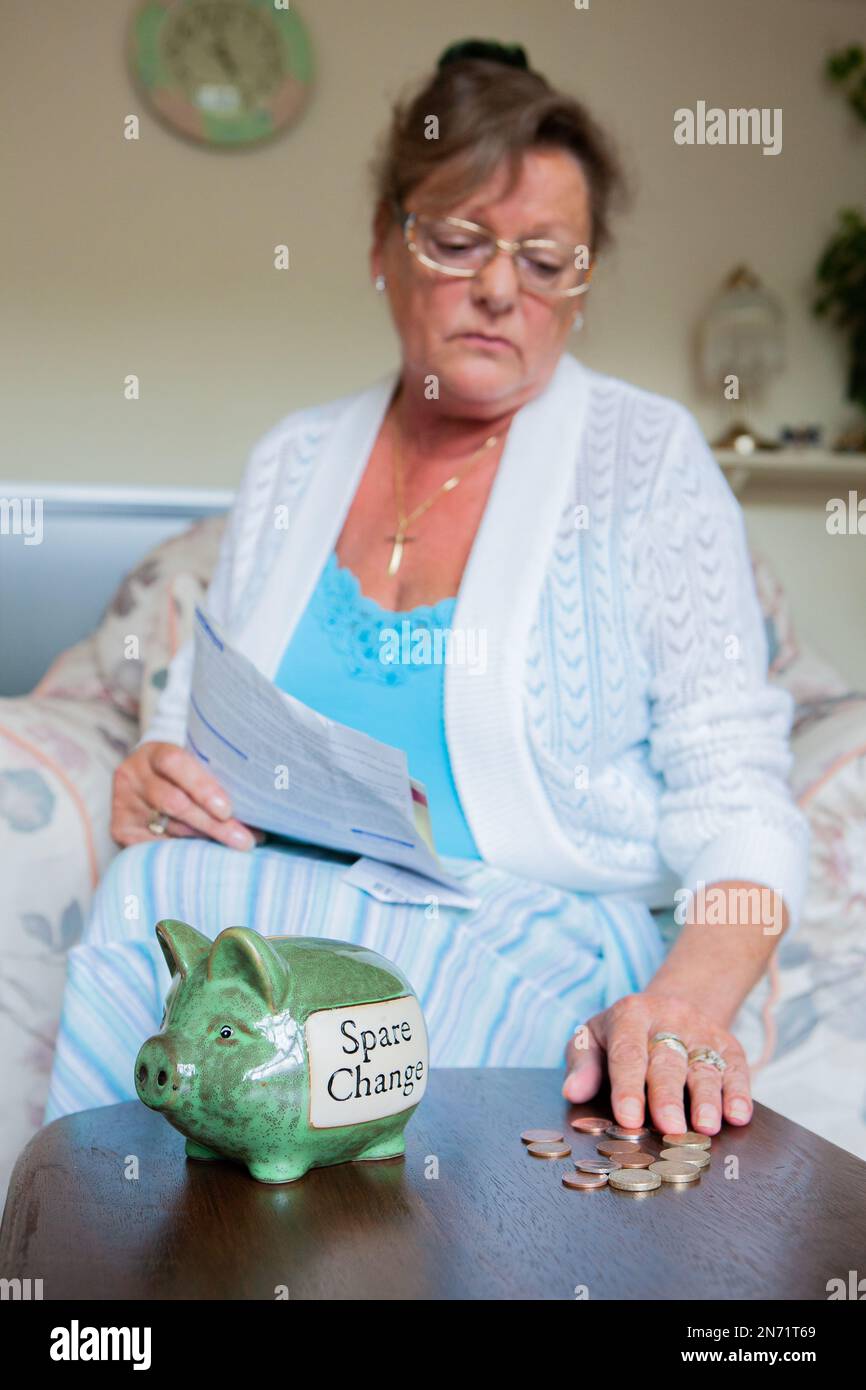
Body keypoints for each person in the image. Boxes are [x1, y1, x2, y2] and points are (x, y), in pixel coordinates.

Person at [45, 39, 810, 1144]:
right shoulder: (291, 461)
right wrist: (164, 783)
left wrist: (687, 1003)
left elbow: (738, 797)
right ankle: (110, 1279)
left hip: (526, 933)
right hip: (282, 909)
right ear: (382, 246)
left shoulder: (643, 460)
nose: (501, 287)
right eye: (459, 243)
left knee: (380, 970)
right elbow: (202, 727)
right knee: (145, 898)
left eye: (548, 261)